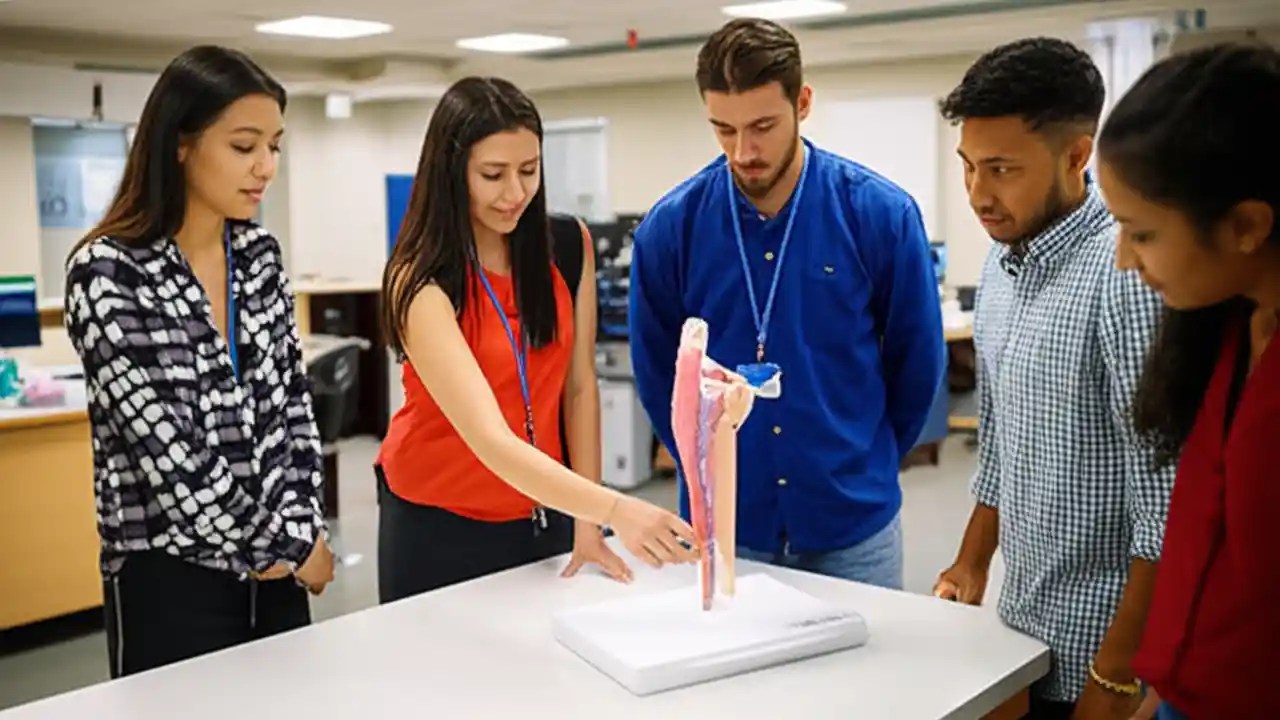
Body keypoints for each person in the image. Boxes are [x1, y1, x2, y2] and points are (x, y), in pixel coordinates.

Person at [628, 17, 945, 590]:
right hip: (728, 525)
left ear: (803, 103)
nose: (743, 150)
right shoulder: (671, 229)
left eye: (763, 126)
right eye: (723, 129)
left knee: (868, 654)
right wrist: (703, 465)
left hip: (853, 524)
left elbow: (917, 365)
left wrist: (861, 458)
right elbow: (657, 377)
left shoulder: (879, 214)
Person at [63, 45, 334, 678]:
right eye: (244, 147)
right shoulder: (108, 273)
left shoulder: (259, 255)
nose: (266, 167)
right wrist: (291, 546)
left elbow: (293, 410)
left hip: (278, 573)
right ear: (180, 143)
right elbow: (172, 458)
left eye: (275, 147)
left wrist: (299, 528)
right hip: (171, 580)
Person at [376, 76, 698, 603]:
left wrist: (588, 524)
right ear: (452, 173)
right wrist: (614, 508)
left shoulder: (567, 247)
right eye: (492, 175)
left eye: (529, 170)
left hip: (546, 507)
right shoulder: (419, 280)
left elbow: (579, 388)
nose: (515, 194)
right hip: (436, 520)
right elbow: (489, 438)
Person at [931, 38, 1174, 719]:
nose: (978, 193)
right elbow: (1001, 440)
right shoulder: (1003, 265)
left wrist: (1117, 676)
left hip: (1102, 647)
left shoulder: (1124, 275)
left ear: (1075, 156)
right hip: (1019, 630)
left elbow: (1166, 504)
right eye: (968, 166)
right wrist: (972, 561)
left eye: (1002, 169)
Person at [1095, 42, 1280, 720]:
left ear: (1246, 225)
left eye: (1141, 234)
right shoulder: (1226, 326)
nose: (1124, 260)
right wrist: (1167, 684)